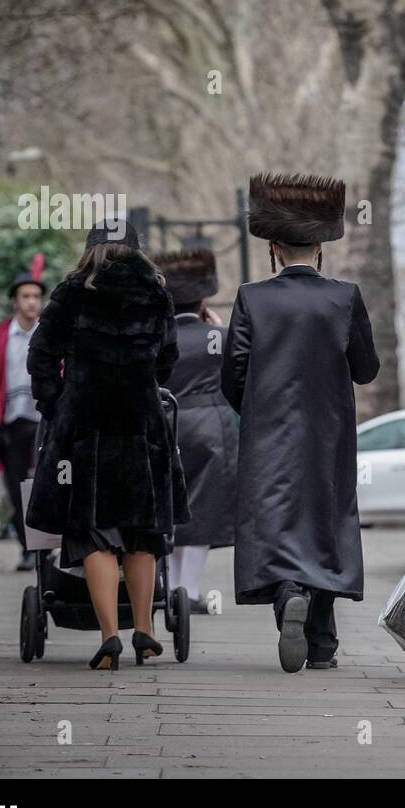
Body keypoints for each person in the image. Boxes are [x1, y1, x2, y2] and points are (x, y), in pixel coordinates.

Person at [222, 172, 379, 673]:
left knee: (273, 520)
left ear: (272, 248)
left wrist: (257, 411)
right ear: (320, 247)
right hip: (327, 433)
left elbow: (233, 372)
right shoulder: (345, 297)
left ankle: (287, 592)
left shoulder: (251, 297)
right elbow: (367, 368)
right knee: (325, 520)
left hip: (268, 430)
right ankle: (324, 645)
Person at [26, 219, 189, 671]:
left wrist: (54, 402)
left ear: (91, 249)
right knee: (142, 529)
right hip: (141, 424)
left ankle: (109, 638)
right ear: (136, 251)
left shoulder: (72, 291)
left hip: (83, 425)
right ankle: (144, 630)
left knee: (91, 530)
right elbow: (167, 359)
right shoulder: (157, 294)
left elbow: (40, 354)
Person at [152, 248, 238, 614]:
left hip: (166, 426)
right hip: (211, 430)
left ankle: (169, 587)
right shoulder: (218, 336)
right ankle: (189, 591)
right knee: (201, 509)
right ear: (202, 298)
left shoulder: (157, 337)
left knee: (170, 509)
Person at [0, 270, 46, 570]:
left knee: (45, 485)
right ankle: (28, 548)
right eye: (26, 296)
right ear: (15, 302)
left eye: (36, 296)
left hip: (44, 421)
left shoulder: (49, 333)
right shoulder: (0, 337)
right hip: (11, 422)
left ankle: (46, 547)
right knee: (17, 488)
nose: (32, 302)